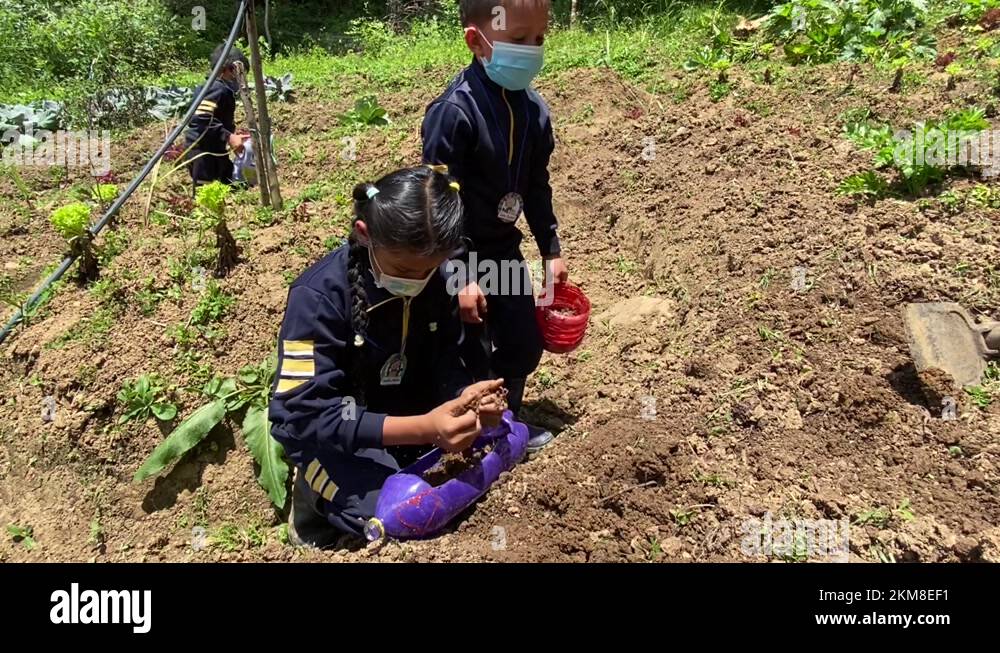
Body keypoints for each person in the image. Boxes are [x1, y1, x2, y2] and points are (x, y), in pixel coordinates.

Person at [269, 165, 504, 546]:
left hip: (407, 418)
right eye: (404, 269)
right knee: (402, 516)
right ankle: (313, 510)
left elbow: (445, 359)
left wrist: (465, 400)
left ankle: (400, 459)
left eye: (429, 269)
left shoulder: (438, 281)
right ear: (365, 236)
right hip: (339, 438)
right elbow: (304, 415)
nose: (417, 280)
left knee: (484, 467)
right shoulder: (319, 298)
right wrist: (427, 427)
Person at [421, 0, 567, 453]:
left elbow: (537, 186)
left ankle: (507, 419)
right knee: (468, 347)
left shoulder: (535, 113)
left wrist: (551, 246)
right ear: (475, 41)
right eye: (519, 40)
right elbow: (440, 197)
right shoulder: (454, 112)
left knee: (522, 340)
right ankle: (468, 434)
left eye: (539, 39)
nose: (532, 50)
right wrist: (460, 273)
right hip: (459, 254)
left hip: (503, 252)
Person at [183, 44, 248, 188]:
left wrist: (231, 134)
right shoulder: (215, 88)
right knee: (207, 193)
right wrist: (228, 137)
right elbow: (200, 119)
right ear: (227, 70)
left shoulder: (221, 89)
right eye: (238, 73)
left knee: (230, 183)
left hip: (215, 149)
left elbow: (215, 118)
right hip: (202, 152)